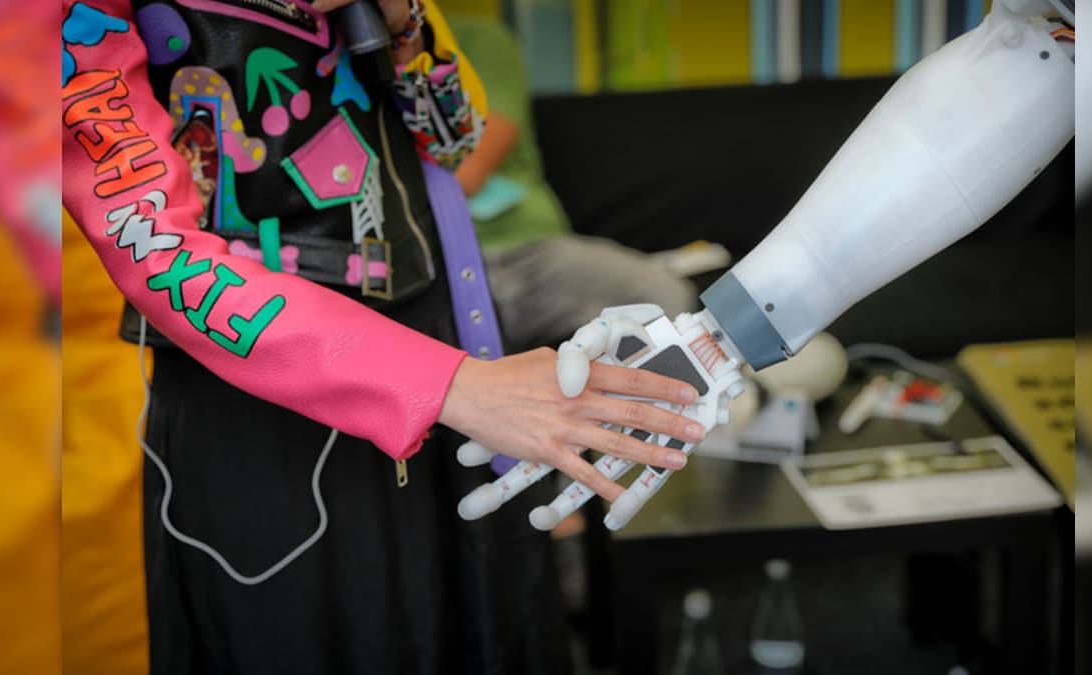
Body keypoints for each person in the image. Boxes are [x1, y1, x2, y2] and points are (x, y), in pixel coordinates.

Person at [61, 0, 704, 672]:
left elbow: (454, 139)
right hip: (258, 394)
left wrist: (400, 15)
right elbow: (155, 251)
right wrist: (450, 385)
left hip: (436, 327)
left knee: (473, 626)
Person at [446, 12, 697, 352]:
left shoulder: (476, 43)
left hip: (523, 250)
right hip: (424, 267)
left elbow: (469, 174)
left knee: (662, 298)